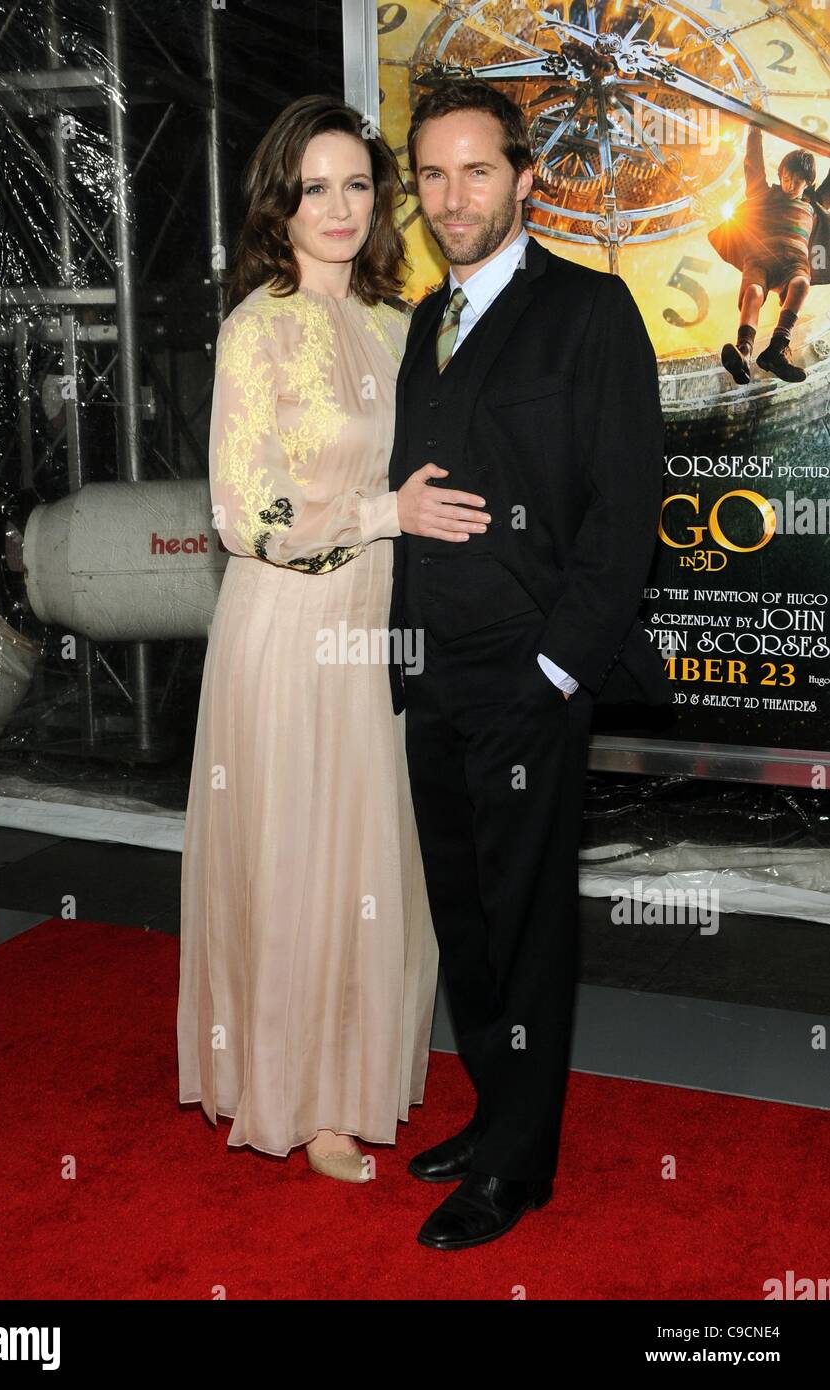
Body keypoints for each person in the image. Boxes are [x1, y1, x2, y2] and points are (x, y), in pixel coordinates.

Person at [177, 94, 486, 1184]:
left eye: (360, 183)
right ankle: (300, 1100)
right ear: (282, 200)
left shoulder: (405, 324)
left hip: (381, 637)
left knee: (370, 861)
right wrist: (378, 515)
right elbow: (240, 515)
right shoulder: (256, 326)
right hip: (287, 633)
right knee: (299, 863)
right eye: (318, 186)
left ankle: (353, 1077)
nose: (341, 206)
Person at [386, 78, 673, 1249]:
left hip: (528, 676)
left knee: (528, 922)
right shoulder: (423, 321)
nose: (454, 197)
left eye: (477, 171)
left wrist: (557, 670)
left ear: (524, 177)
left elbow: (625, 514)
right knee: (463, 919)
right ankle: (493, 1109)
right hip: (432, 678)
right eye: (433, 176)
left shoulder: (594, 314)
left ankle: (520, 1167)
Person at [711, 115, 830, 385]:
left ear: (808, 183)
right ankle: (744, 352)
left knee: (801, 284)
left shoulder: (813, 204)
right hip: (759, 257)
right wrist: (754, 130)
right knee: (753, 292)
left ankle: (777, 348)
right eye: (786, 178)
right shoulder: (764, 194)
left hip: (794, 263)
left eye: (797, 181)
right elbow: (754, 166)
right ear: (781, 175)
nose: (789, 184)